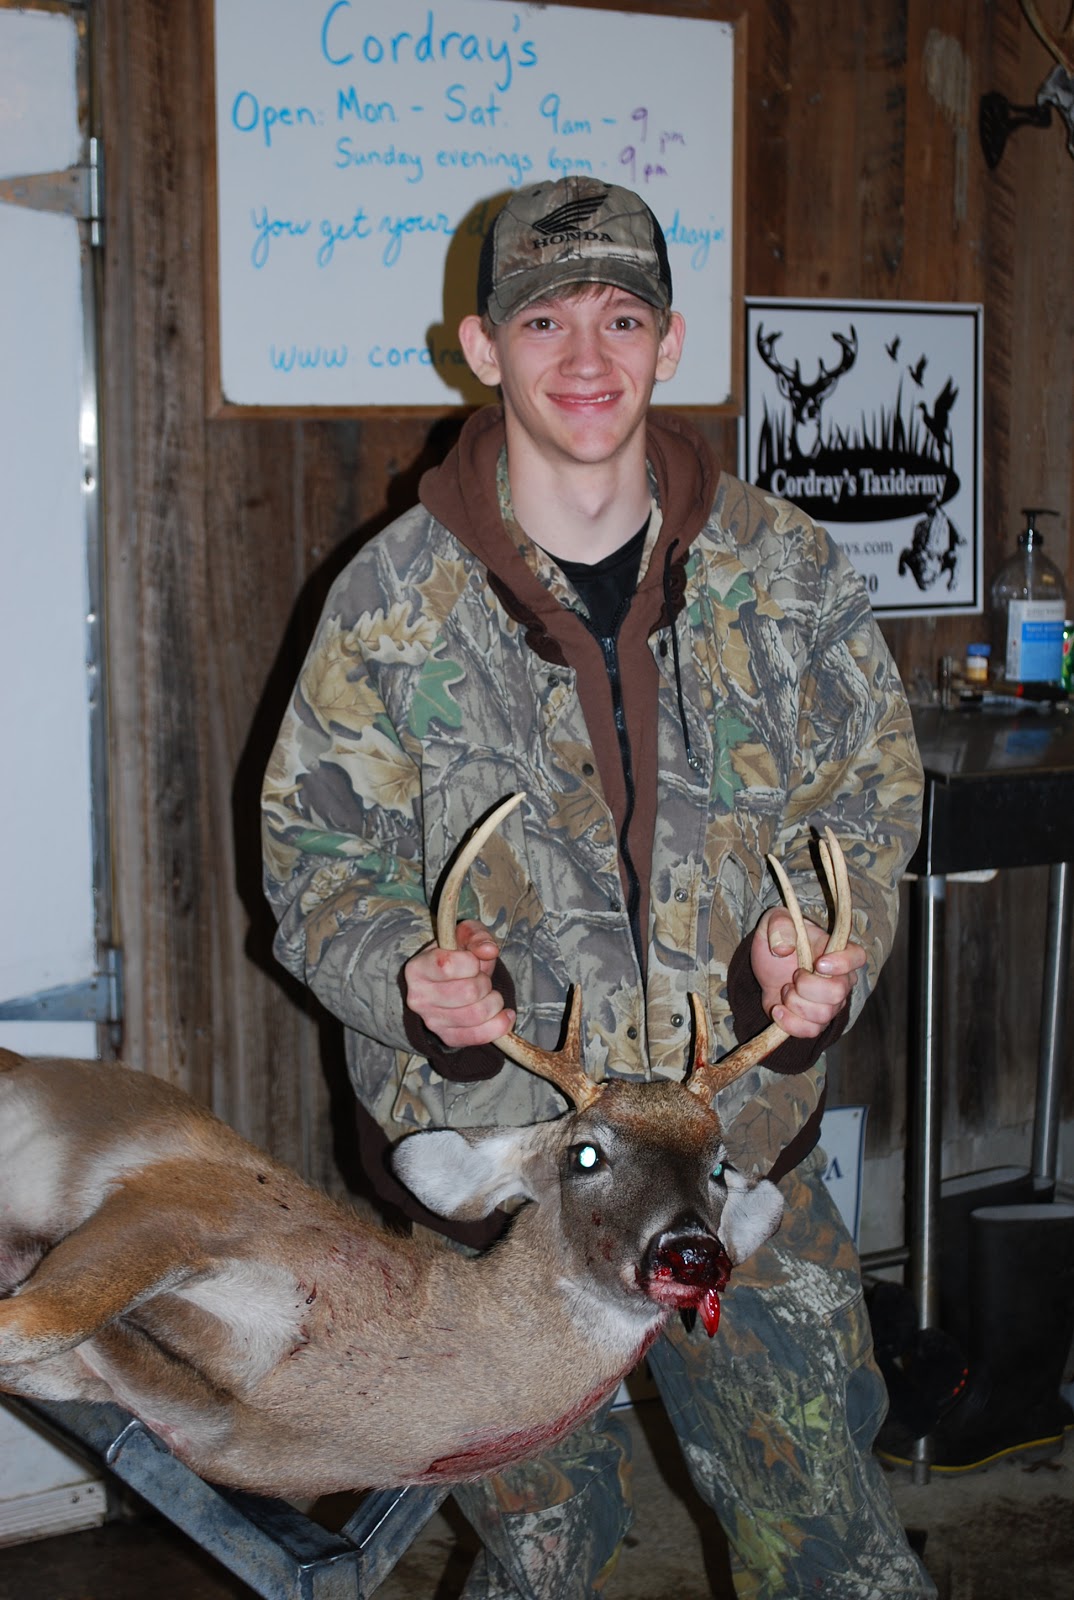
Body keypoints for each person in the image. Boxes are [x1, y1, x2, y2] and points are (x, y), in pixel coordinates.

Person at [262, 176, 932, 1599]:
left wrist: (825, 952)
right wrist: (404, 971)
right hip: (509, 1194)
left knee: (833, 1553)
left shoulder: (789, 578)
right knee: (539, 1565)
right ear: (482, 347)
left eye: (620, 316)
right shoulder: (389, 603)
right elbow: (313, 860)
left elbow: (867, 801)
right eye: (545, 318)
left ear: (668, 343)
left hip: (732, 1163)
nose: (585, 355)